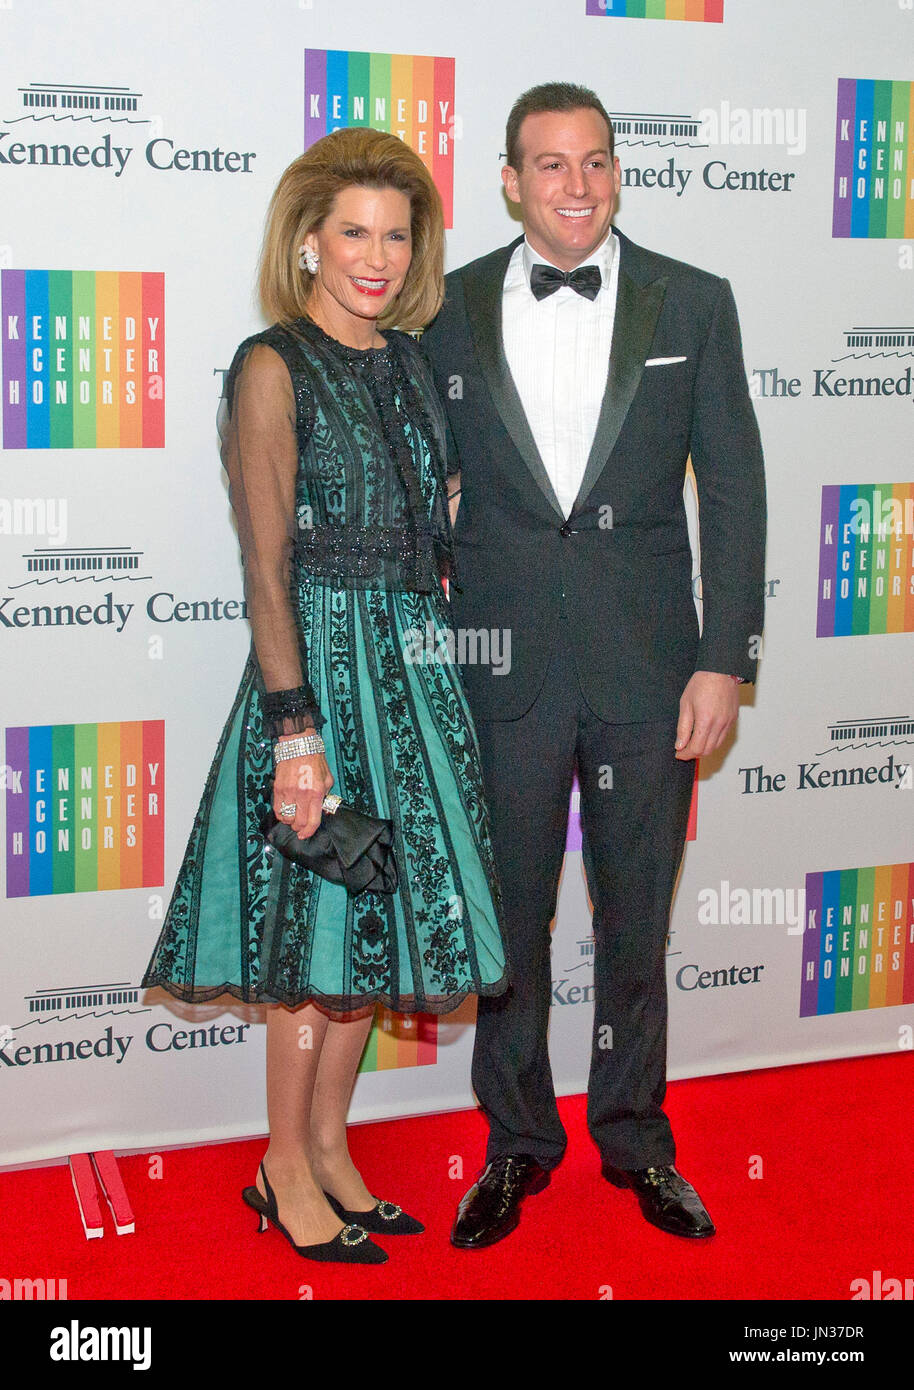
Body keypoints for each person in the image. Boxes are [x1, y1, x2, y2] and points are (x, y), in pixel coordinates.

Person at [142, 127, 508, 1266]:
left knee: (374, 923)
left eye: (396, 235)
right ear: (306, 241)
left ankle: (334, 1147)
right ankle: (281, 1165)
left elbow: (430, 521)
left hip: (412, 664)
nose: (377, 256)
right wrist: (295, 734)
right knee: (317, 933)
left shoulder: (407, 363)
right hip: (320, 678)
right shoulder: (270, 364)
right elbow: (264, 563)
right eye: (352, 231)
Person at [421, 82, 766, 1248]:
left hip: (648, 672)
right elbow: (413, 483)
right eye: (549, 164)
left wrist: (725, 660)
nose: (575, 185)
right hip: (499, 673)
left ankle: (634, 1137)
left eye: (595, 162)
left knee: (633, 925)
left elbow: (731, 489)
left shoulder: (694, 302)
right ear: (510, 180)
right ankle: (515, 1142)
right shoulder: (449, 307)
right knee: (509, 926)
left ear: (618, 172)